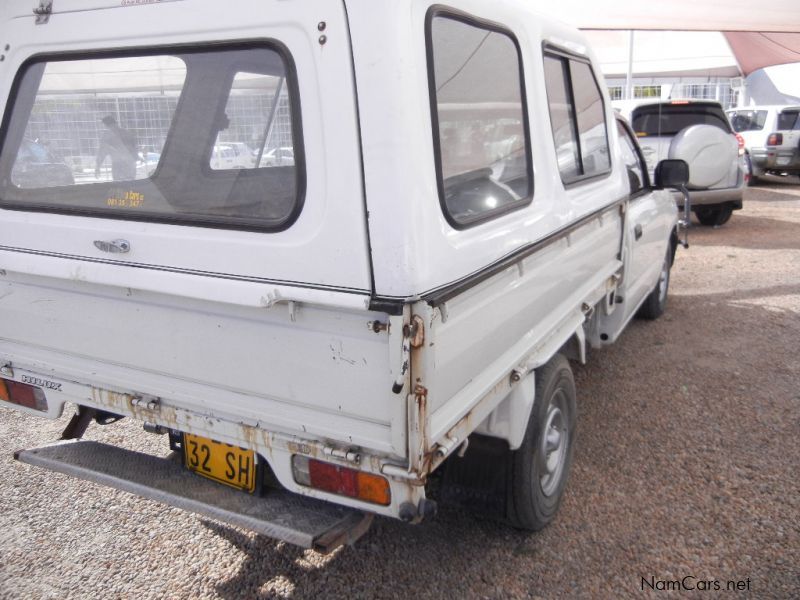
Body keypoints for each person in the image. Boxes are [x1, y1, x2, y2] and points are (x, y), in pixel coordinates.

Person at [95, 115, 137, 181]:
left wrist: (98, 167)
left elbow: (102, 152)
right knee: (130, 186)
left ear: (106, 125)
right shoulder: (127, 133)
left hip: (118, 165)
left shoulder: (107, 136)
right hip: (130, 164)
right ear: (115, 123)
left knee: (120, 187)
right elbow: (134, 149)